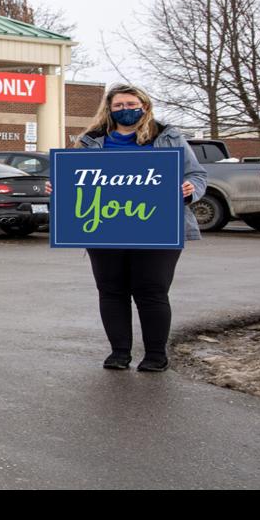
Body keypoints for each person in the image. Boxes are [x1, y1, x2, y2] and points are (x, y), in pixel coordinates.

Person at [72, 85, 209, 371]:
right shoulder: (91, 140)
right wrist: (59, 186)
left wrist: (189, 189)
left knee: (152, 290)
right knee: (111, 291)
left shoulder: (167, 136)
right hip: (104, 227)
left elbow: (196, 174)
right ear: (109, 109)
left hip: (158, 226)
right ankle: (119, 353)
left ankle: (156, 355)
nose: (125, 109)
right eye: (118, 105)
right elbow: (75, 178)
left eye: (131, 103)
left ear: (144, 106)